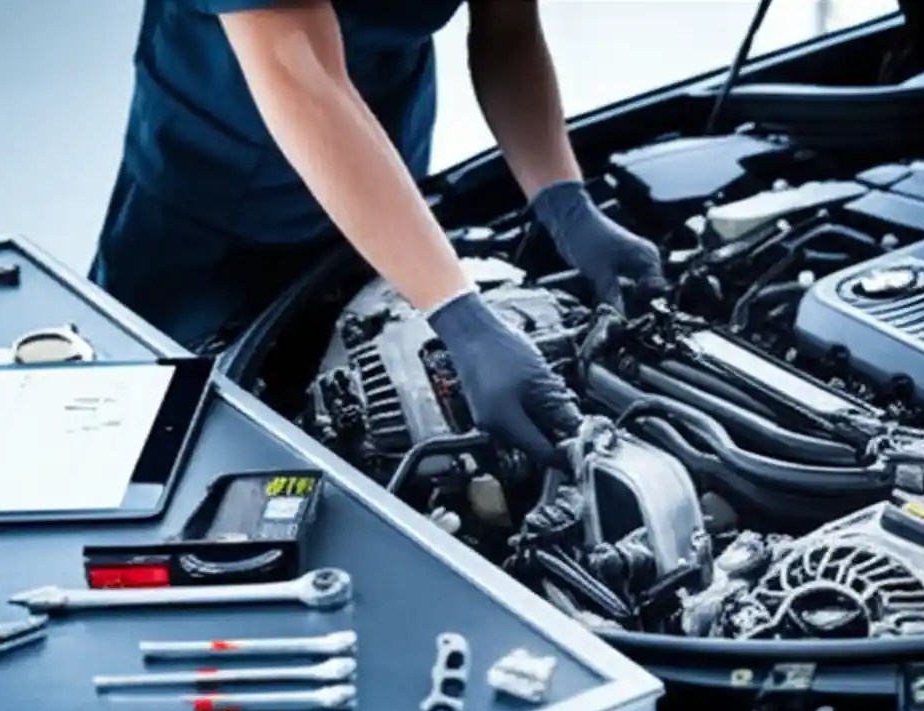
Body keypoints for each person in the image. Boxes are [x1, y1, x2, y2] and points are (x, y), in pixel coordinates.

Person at [90, 0, 667, 464]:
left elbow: (507, 33)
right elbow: (302, 74)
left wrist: (566, 203)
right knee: (149, 443)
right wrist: (458, 317)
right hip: (210, 213)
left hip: (383, 180)